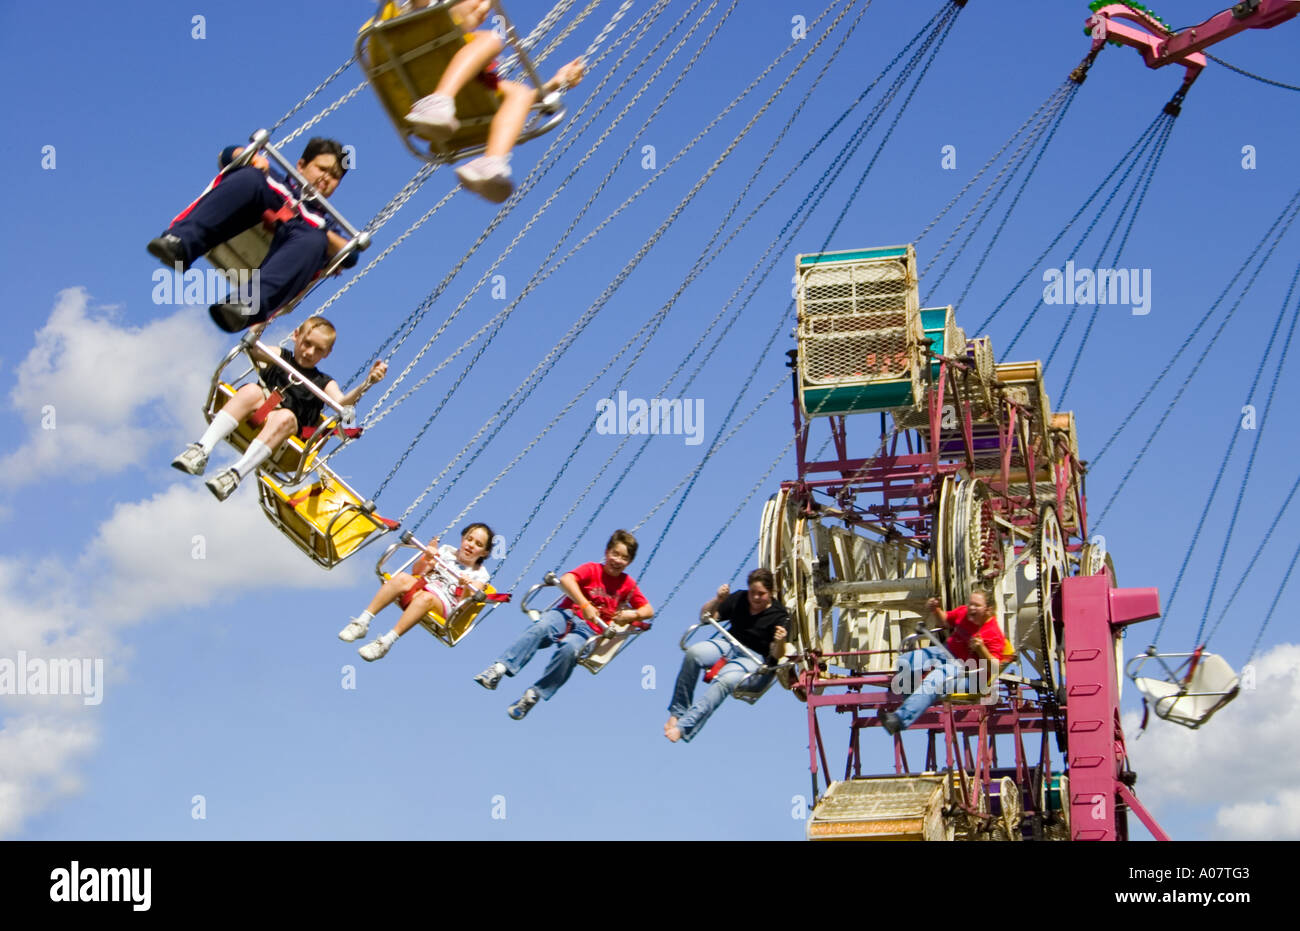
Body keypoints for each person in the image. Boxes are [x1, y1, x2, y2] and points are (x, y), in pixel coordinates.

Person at [146, 137, 357, 333]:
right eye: (322, 169)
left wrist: (326, 239)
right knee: (249, 177)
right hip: (254, 208)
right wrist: (252, 157)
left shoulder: (325, 222)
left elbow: (351, 255)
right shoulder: (271, 179)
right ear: (301, 165)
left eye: (335, 176)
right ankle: (181, 244)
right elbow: (227, 155)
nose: (326, 178)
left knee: (315, 241)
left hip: (293, 243)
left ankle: (246, 304)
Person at [170, 316, 386, 501]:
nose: (309, 352)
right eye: (306, 343)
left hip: (286, 441)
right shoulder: (280, 356)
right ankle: (201, 450)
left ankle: (235, 475)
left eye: (318, 349)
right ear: (296, 336)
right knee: (250, 392)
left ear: (326, 354)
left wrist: (367, 384)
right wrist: (263, 320)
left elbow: (342, 403)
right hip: (255, 415)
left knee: (284, 416)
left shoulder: (324, 382)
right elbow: (253, 348)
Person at [399, 0, 586, 202]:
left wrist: (554, 84)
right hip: (416, 46)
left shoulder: (470, 58)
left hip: (453, 106)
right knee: (492, 39)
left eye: (488, 4)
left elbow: (513, 102)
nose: (485, 8)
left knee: (520, 93)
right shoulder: (423, 10)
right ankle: (437, 102)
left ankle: (491, 164)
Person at [473, 529, 653, 720]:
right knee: (541, 627)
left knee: (570, 649)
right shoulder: (592, 569)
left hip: (591, 629)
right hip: (567, 614)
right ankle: (499, 669)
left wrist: (630, 614)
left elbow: (648, 611)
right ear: (607, 552)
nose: (617, 560)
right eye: (615, 554)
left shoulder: (627, 584)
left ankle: (534, 695)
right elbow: (568, 579)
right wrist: (584, 604)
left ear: (630, 562)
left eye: (624, 558)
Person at [665, 569, 790, 743]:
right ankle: (678, 712)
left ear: (770, 593)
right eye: (752, 593)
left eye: (761, 594)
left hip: (752, 658)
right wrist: (718, 600)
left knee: (724, 681)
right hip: (729, 644)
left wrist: (781, 640)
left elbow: (778, 654)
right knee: (694, 653)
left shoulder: (779, 615)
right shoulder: (740, 598)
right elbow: (706, 617)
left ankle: (684, 727)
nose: (755, 598)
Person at [341, 522, 495, 661]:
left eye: (478, 544)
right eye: (469, 539)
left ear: (484, 553)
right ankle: (362, 622)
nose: (471, 545)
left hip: (444, 604)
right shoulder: (447, 551)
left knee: (425, 598)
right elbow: (418, 571)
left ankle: (385, 642)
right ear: (462, 538)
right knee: (401, 577)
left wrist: (467, 587)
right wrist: (427, 557)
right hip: (423, 586)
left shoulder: (480, 574)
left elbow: (463, 605)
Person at [879, 586, 1011, 735]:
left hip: (969, 672)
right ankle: (913, 702)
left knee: (936, 680)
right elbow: (946, 621)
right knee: (906, 660)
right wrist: (936, 609)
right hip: (946, 653)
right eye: (971, 604)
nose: (971, 608)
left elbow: (995, 667)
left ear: (988, 609)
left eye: (977, 605)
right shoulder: (964, 612)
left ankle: (899, 720)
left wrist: (981, 650)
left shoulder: (993, 634)